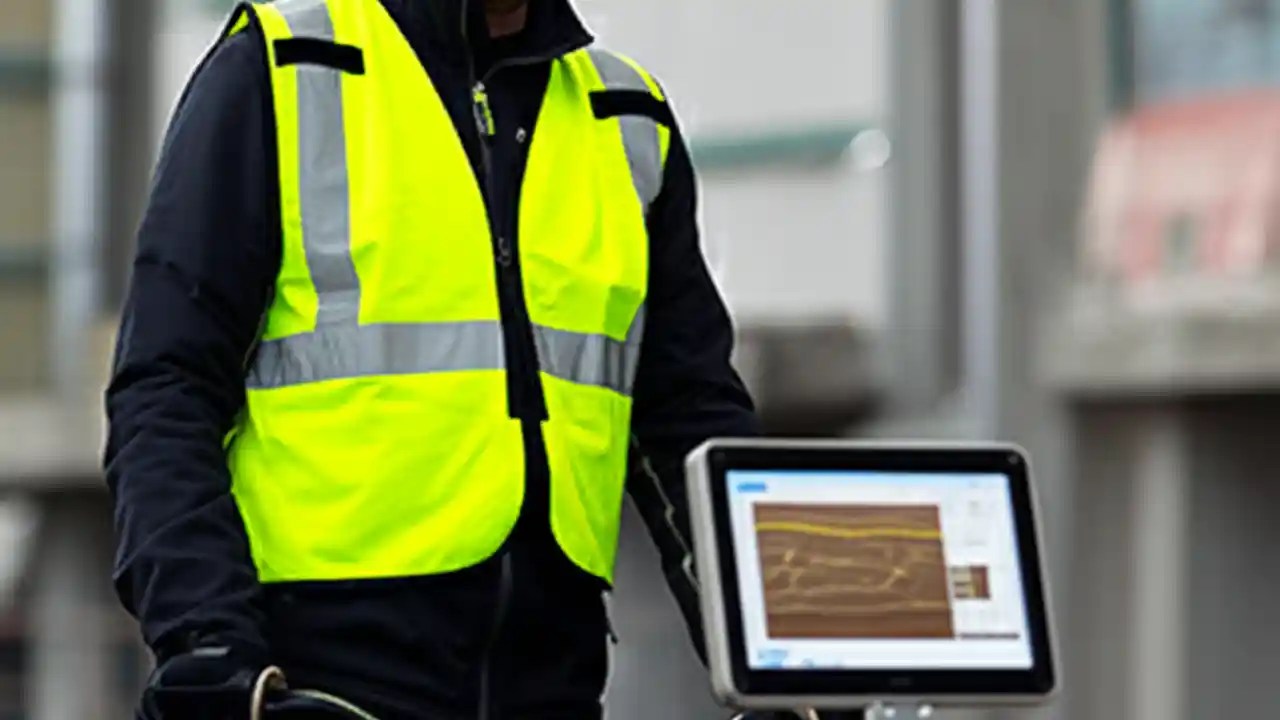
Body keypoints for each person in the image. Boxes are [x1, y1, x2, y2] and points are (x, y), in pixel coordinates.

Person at [105, 0, 761, 717]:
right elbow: (165, 392)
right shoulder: (289, 66)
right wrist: (213, 654)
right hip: (321, 681)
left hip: (552, 686)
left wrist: (784, 670)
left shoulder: (625, 114)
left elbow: (693, 432)